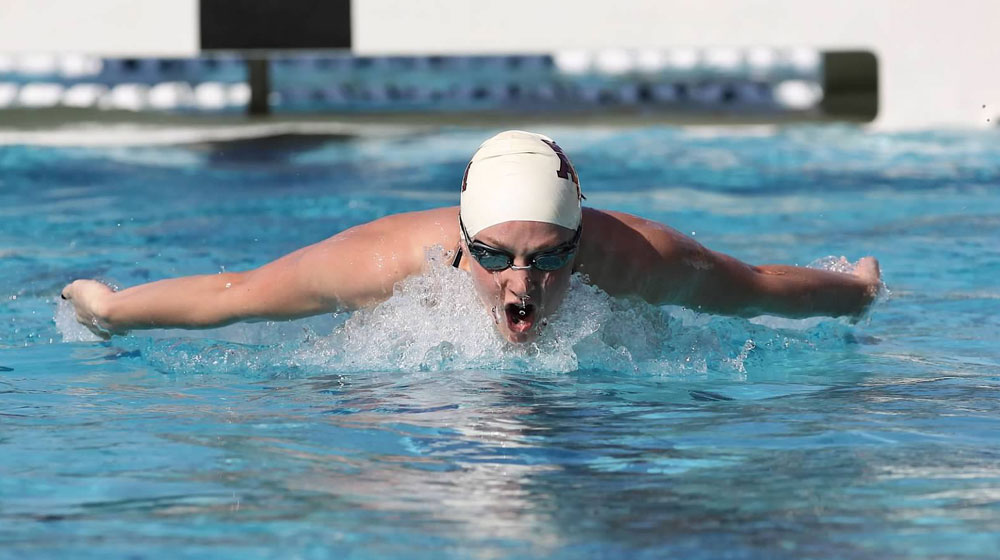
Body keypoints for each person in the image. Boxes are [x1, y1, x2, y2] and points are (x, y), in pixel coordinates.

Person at [62, 130, 881, 344]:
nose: (522, 286)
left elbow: (758, 287)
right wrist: (110, 309)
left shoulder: (634, 259)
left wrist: (855, 292)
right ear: (462, 241)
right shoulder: (391, 263)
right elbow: (236, 294)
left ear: (580, 242)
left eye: (549, 257)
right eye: (495, 256)